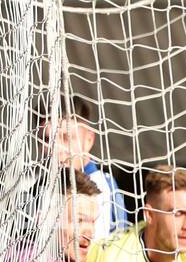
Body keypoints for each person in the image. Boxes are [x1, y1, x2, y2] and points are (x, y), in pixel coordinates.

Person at [41, 95, 127, 241]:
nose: (56, 149)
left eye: (67, 138)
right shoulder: (37, 186)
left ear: (89, 140)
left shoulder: (101, 189)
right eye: (48, 139)